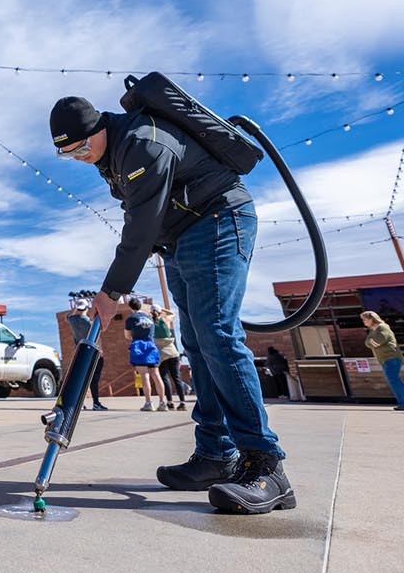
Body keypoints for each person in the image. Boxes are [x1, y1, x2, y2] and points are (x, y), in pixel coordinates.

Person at [49, 95, 291, 514]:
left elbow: (140, 226)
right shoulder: (114, 153)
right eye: (70, 155)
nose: (81, 158)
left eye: (82, 147)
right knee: (197, 344)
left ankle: (266, 467)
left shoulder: (142, 143)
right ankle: (216, 455)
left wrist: (110, 294)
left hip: (218, 220)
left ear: (99, 127)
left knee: (218, 335)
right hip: (182, 238)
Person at [361, 310, 404, 410]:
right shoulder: (373, 330)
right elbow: (367, 342)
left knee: (394, 380)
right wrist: (370, 342)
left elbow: (376, 342)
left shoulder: (382, 327)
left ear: (371, 319)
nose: (364, 322)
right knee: (396, 380)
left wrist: (370, 343)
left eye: (365, 319)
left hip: (391, 358)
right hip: (385, 359)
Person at [63, 297, 108, 411]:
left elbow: (67, 317)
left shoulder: (72, 320)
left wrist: (74, 308)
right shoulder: (89, 322)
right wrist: (100, 351)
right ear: (87, 307)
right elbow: (97, 337)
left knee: (80, 379)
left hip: (79, 352)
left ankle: (79, 403)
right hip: (92, 352)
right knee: (93, 379)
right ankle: (96, 403)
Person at [124, 298, 168, 411]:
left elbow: (127, 336)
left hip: (138, 346)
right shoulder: (150, 318)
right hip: (151, 345)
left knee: (144, 375)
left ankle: (149, 403)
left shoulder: (131, 319)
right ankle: (163, 402)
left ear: (130, 307)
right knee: (156, 374)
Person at [152, 306, 187, 410]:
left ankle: (170, 402)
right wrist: (163, 309)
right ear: (159, 312)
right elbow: (172, 314)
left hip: (161, 353)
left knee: (164, 378)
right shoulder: (165, 320)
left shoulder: (151, 323)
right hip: (172, 352)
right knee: (177, 378)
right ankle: (182, 402)